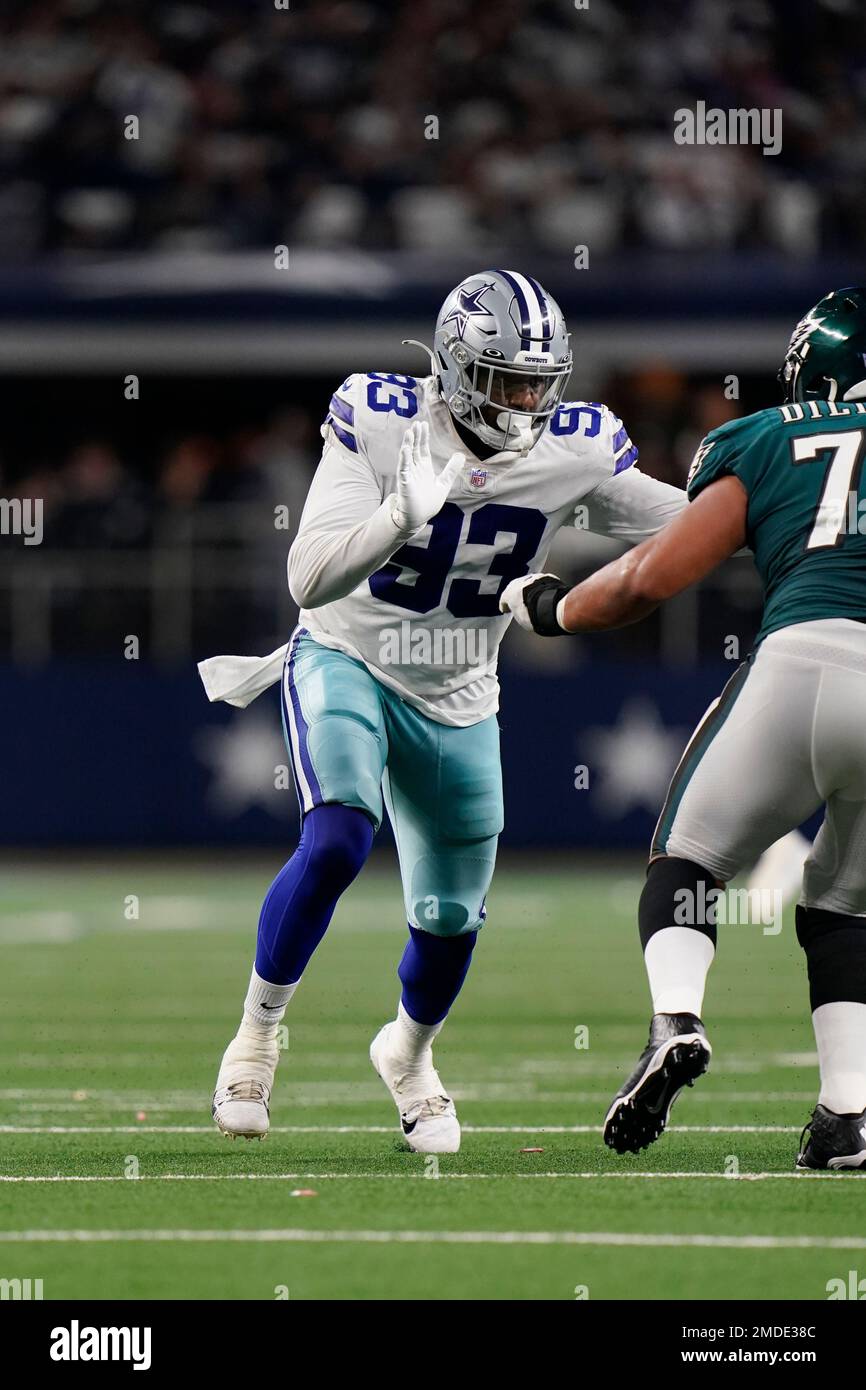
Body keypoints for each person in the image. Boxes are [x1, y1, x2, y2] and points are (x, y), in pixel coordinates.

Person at [200, 269, 685, 1152]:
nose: (526, 401)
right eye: (505, 380)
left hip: (460, 691)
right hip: (348, 655)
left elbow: (685, 528)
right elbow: (307, 579)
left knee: (451, 914)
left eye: (539, 382)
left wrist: (777, 508)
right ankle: (256, 1037)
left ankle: (409, 1054)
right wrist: (397, 515)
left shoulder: (573, 449)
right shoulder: (383, 419)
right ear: (458, 369)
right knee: (339, 835)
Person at [501, 286, 866, 1172]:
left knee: (690, 858)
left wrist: (552, 609)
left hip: (801, 660)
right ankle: (848, 1115)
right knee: (849, 903)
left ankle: (677, 1019)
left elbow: (647, 580)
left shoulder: (767, 437)